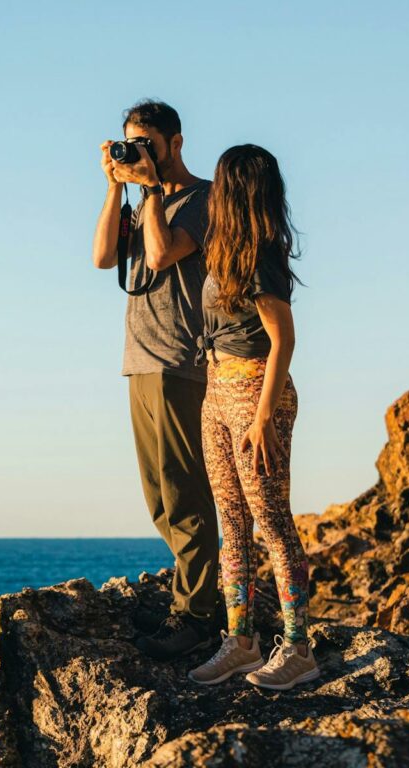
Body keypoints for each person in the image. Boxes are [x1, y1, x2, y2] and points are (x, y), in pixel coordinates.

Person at [92, 100, 222, 660]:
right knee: (159, 498)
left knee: (185, 492)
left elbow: (163, 253)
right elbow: (103, 257)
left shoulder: (206, 200)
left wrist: (149, 192)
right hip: (140, 360)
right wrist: (114, 189)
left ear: (176, 143)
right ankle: (199, 595)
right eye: (131, 143)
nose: (139, 152)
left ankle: (197, 616)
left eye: (147, 143)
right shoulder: (144, 201)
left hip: (181, 359)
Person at [187, 144, 318, 690]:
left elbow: (283, 337)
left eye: (221, 183)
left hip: (255, 394)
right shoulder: (224, 250)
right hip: (217, 392)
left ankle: (299, 649)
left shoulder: (261, 253)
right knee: (233, 522)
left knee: (271, 521)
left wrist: (263, 416)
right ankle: (240, 642)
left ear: (235, 190)